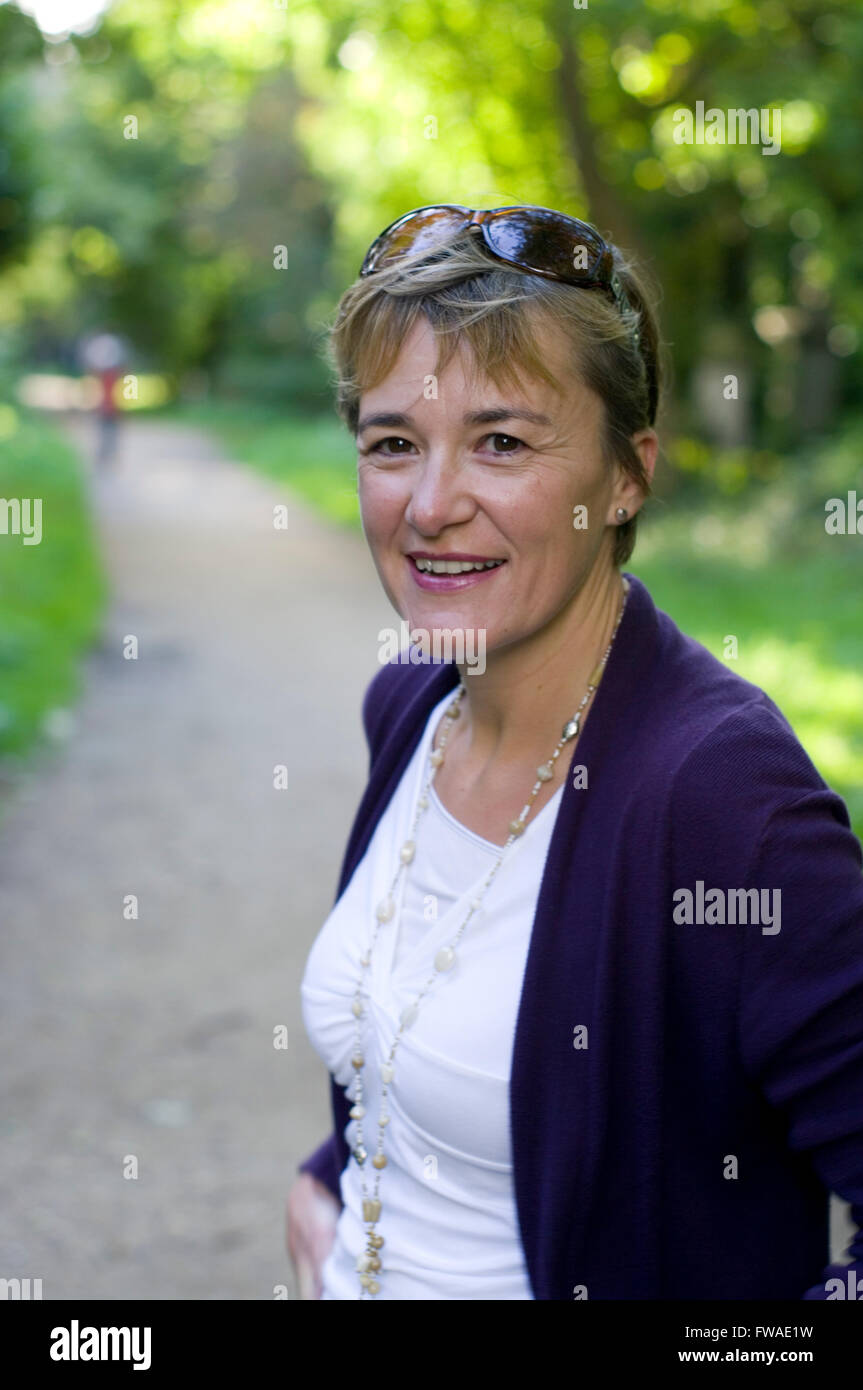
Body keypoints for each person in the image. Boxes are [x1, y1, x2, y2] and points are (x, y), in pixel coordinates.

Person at [286, 204, 863, 1300]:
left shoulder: (726, 806)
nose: (429, 504)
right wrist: (329, 1179)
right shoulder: (410, 703)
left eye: (501, 441)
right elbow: (423, 1038)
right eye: (391, 442)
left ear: (627, 475)